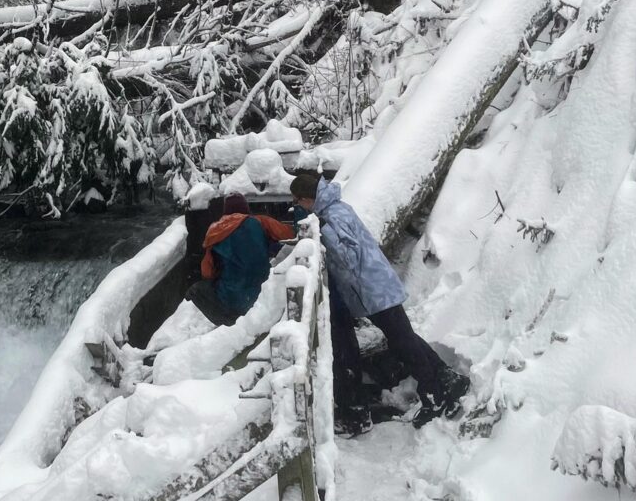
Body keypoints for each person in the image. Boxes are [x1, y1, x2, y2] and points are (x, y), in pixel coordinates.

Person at [289, 170, 468, 433]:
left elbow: (349, 258)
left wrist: (324, 239)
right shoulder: (336, 208)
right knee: (404, 338)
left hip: (373, 290)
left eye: (298, 200)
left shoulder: (332, 218)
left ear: (307, 198)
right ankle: (446, 379)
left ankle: (434, 395)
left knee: (403, 342)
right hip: (376, 286)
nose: (298, 206)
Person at [187, 193, 298, 325]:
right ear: (246, 208)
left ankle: (228, 322)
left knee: (195, 290)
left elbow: (207, 272)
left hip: (231, 298)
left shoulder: (215, 231)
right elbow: (289, 233)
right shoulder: (260, 221)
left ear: (225, 211)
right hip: (261, 294)